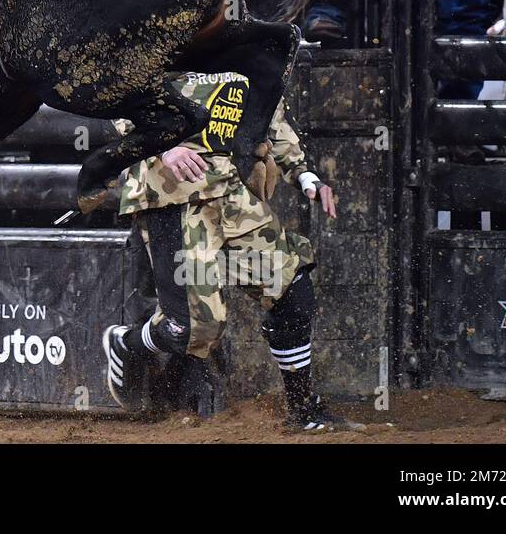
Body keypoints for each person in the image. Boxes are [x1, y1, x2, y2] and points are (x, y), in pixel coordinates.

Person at [103, 73, 344, 430]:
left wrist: (305, 174)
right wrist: (164, 147)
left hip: (231, 190)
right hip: (174, 194)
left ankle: (305, 412)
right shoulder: (161, 26)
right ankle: (126, 343)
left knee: (292, 291)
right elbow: (121, 92)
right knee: (191, 329)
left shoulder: (241, 38)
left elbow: (267, 110)